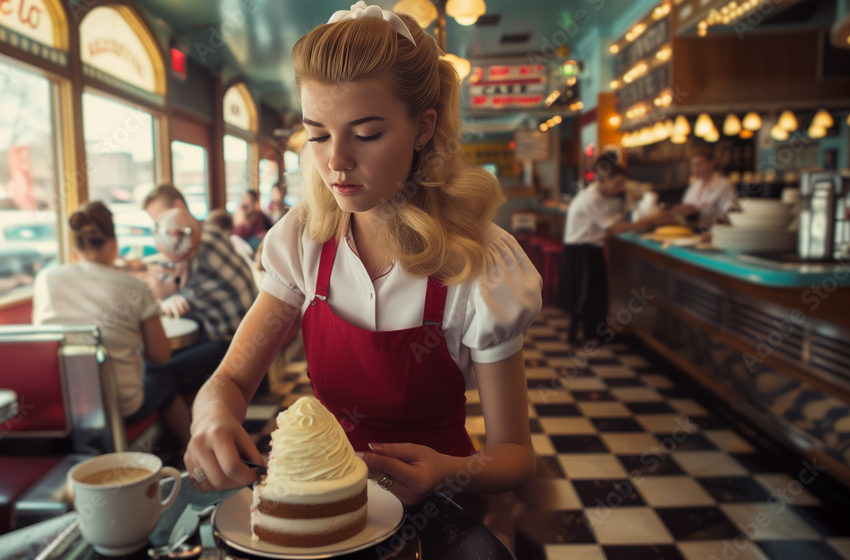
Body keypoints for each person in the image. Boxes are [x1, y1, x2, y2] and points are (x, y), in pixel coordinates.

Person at [185, 2, 542, 512]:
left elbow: (514, 455)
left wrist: (448, 472)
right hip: (329, 497)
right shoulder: (304, 241)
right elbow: (231, 381)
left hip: (440, 505)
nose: (336, 161)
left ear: (423, 128)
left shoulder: (476, 262)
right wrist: (212, 418)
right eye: (318, 134)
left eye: (367, 134)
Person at [32, 201, 192, 450]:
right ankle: (190, 453)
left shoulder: (45, 280)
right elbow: (160, 356)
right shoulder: (135, 289)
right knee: (164, 380)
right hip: (121, 406)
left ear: (73, 250)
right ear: (114, 245)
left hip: (61, 405)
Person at [140, 184, 258, 390]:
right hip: (234, 334)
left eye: (160, 221)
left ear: (178, 209)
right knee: (158, 357)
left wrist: (163, 296)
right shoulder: (203, 232)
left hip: (237, 345)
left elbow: (167, 295)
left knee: (156, 368)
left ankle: (193, 416)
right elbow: (169, 280)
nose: (161, 231)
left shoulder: (204, 245)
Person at [560, 155, 660, 345]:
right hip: (583, 251)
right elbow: (612, 228)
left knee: (592, 294)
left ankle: (591, 333)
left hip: (585, 250)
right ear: (604, 180)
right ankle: (581, 336)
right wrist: (646, 221)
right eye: (618, 183)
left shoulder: (593, 194)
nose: (621, 188)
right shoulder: (593, 198)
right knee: (585, 295)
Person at [672, 146, 738, 225]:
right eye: (693, 165)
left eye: (699, 164)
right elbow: (686, 206)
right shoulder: (695, 184)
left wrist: (701, 213)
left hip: (714, 231)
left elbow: (730, 214)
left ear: (712, 163)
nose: (695, 169)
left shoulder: (725, 185)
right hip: (694, 229)